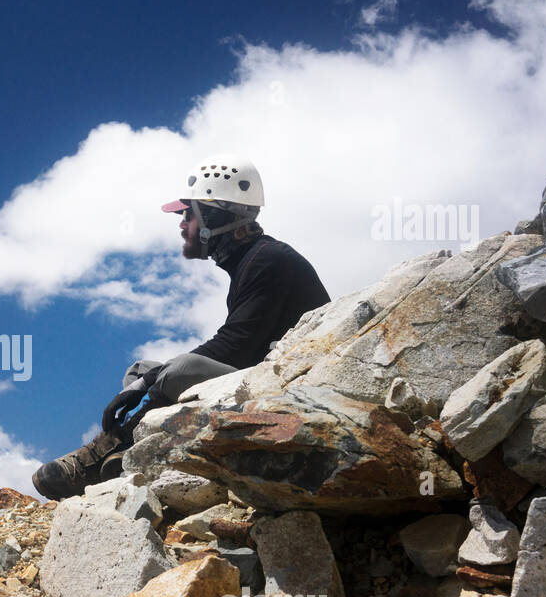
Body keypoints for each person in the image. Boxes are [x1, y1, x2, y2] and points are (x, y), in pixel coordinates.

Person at [32, 153, 331, 500]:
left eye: (188, 213)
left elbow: (236, 347)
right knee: (145, 368)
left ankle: (108, 455)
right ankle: (127, 451)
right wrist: (147, 376)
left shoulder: (268, 259)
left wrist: (151, 381)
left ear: (215, 217)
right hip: (271, 380)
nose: (181, 224)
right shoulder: (253, 259)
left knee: (176, 371)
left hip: (294, 391)